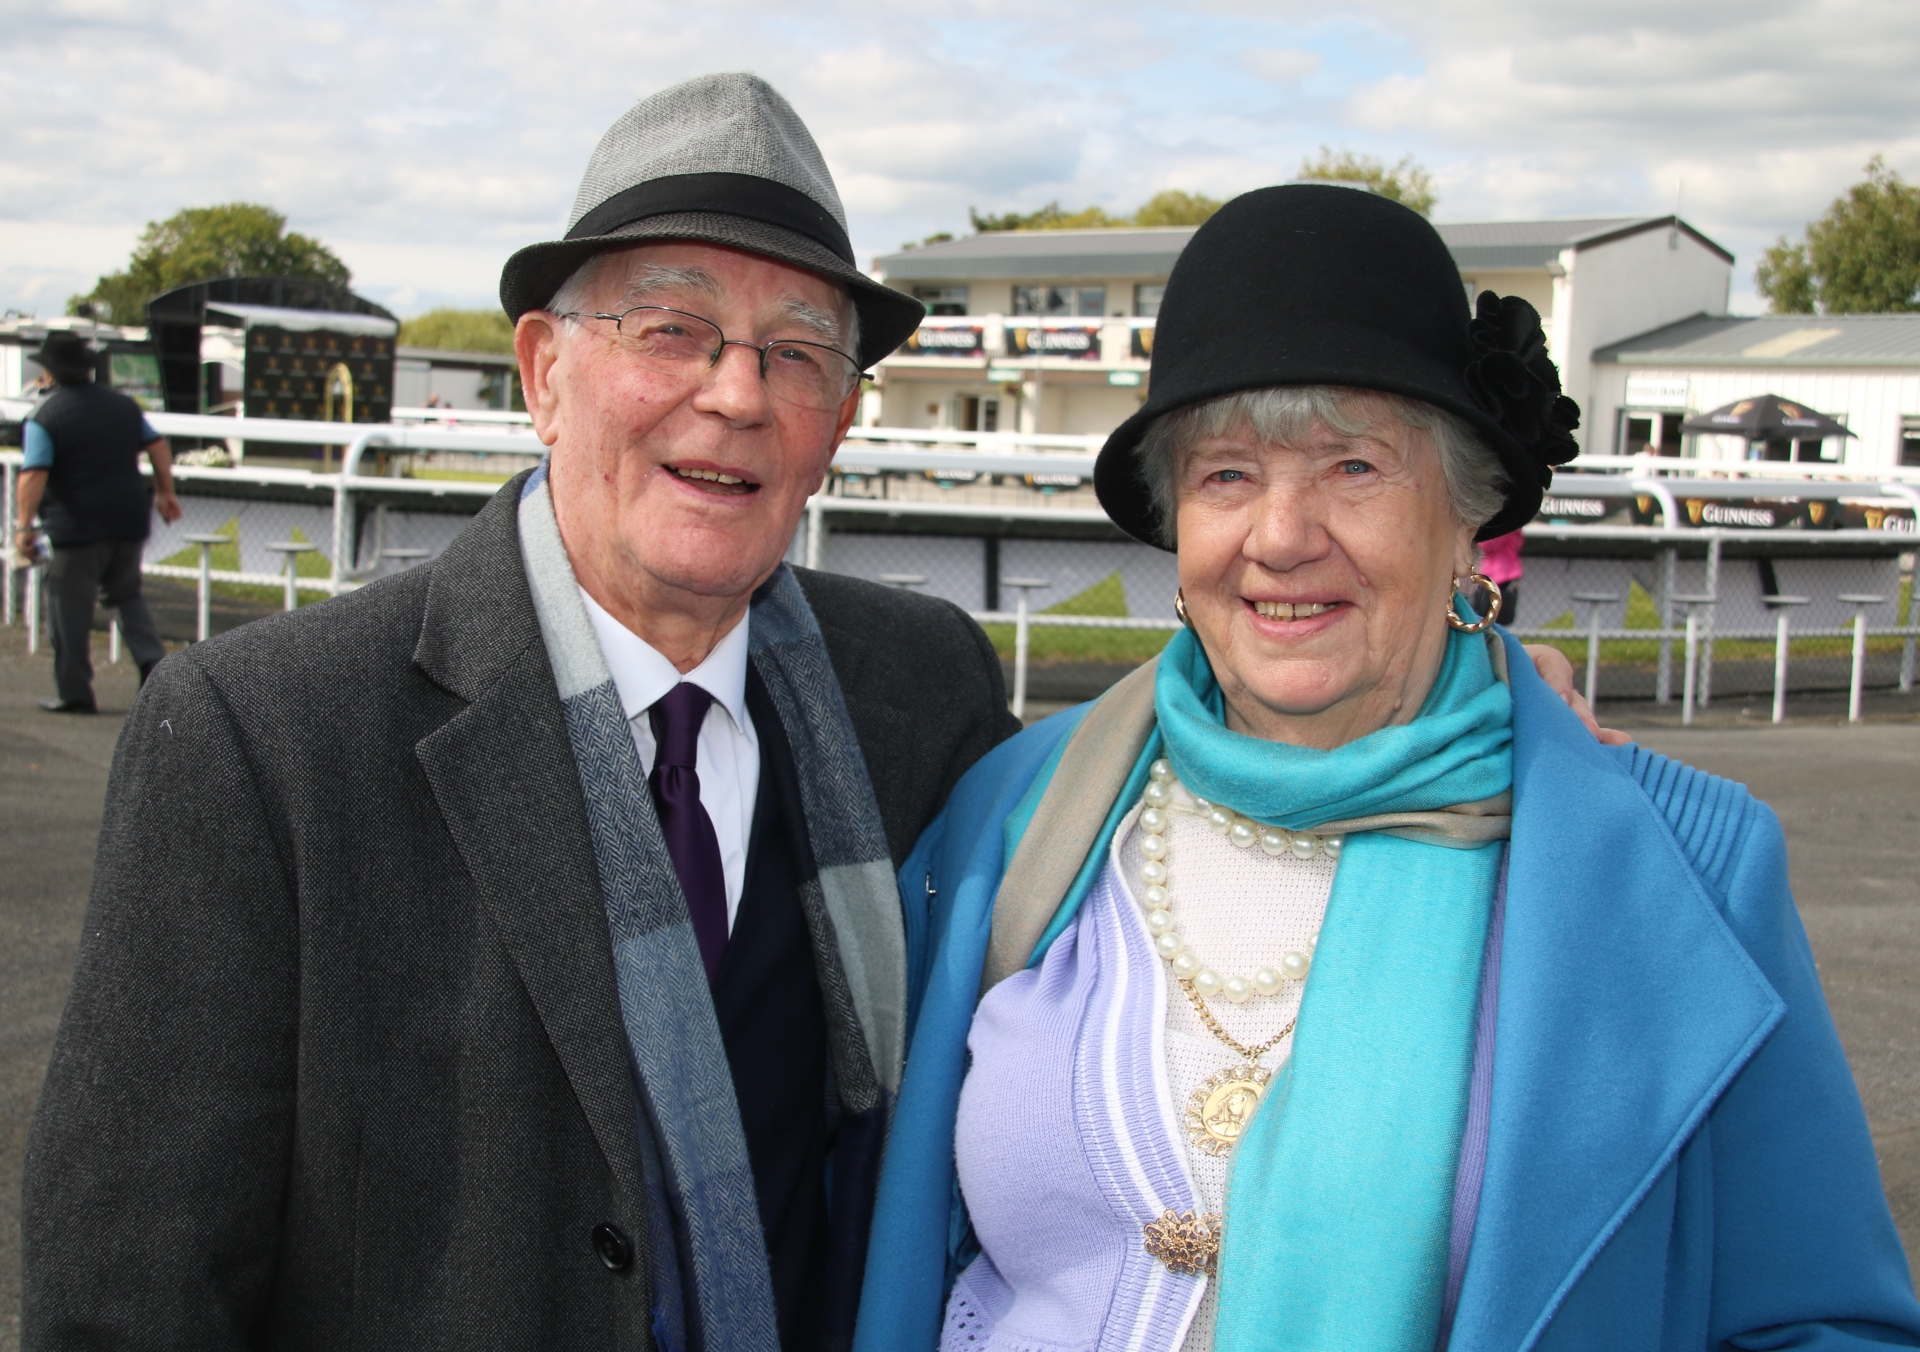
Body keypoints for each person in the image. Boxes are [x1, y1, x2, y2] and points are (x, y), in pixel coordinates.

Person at [22, 74, 1020, 1351]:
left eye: (799, 352)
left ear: (837, 423)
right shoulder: (263, 737)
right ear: (546, 373)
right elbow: (129, 1291)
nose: (736, 392)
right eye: (672, 328)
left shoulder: (921, 689)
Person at [854, 186, 1920, 1352]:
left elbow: (1825, 1322)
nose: (1280, 533)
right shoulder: (1014, 812)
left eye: (1353, 466)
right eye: (1226, 475)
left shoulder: (1686, 867)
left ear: (1469, 518)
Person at [12, 329, 180, 710]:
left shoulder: (44, 415)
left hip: (75, 526)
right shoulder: (123, 405)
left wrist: (24, 526)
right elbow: (157, 445)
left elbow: (34, 473)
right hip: (129, 520)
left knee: (67, 607)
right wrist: (165, 492)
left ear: (50, 374)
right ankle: (154, 668)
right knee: (125, 595)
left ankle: (74, 692)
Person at [1475, 526, 1523, 625]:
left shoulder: (1503, 524)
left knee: (1492, 620)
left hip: (1498, 578)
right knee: (1483, 619)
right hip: (1496, 576)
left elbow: (1487, 545)